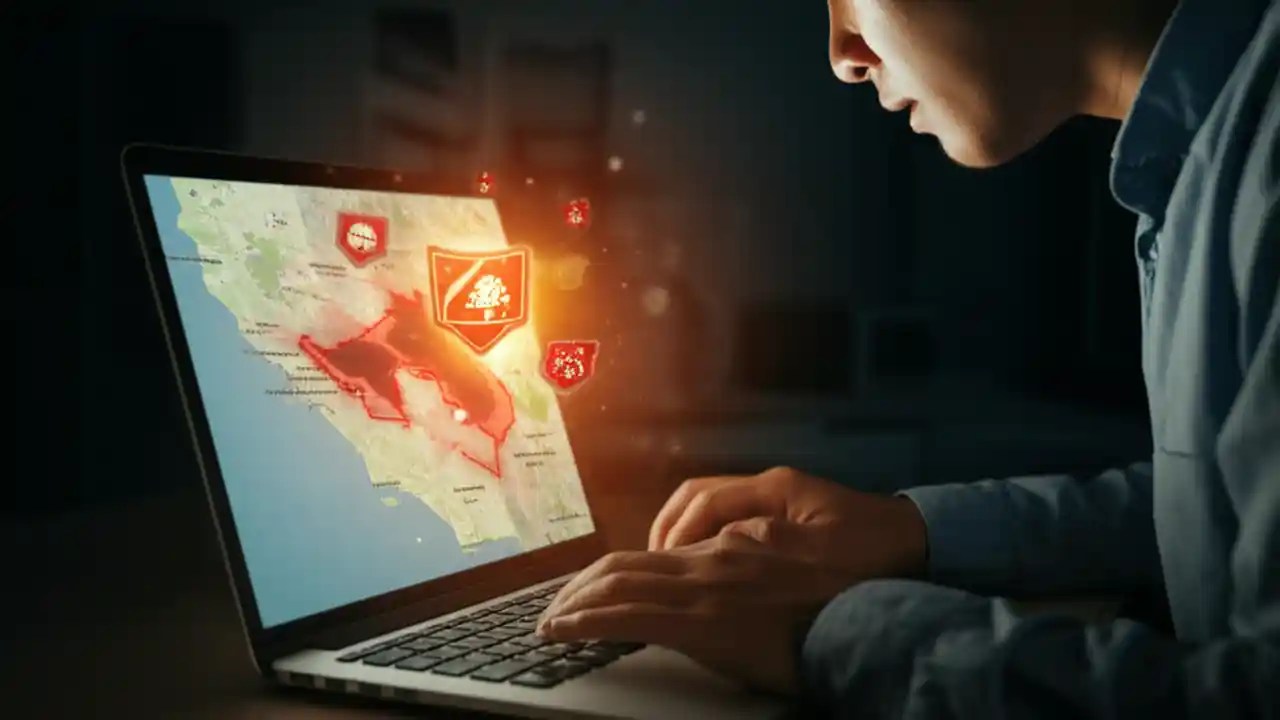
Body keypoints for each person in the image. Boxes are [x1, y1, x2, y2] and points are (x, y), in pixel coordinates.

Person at [538, 0, 1280, 715]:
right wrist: (912, 534)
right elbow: (1211, 505)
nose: (841, 57)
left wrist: (831, 630)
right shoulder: (1211, 152)